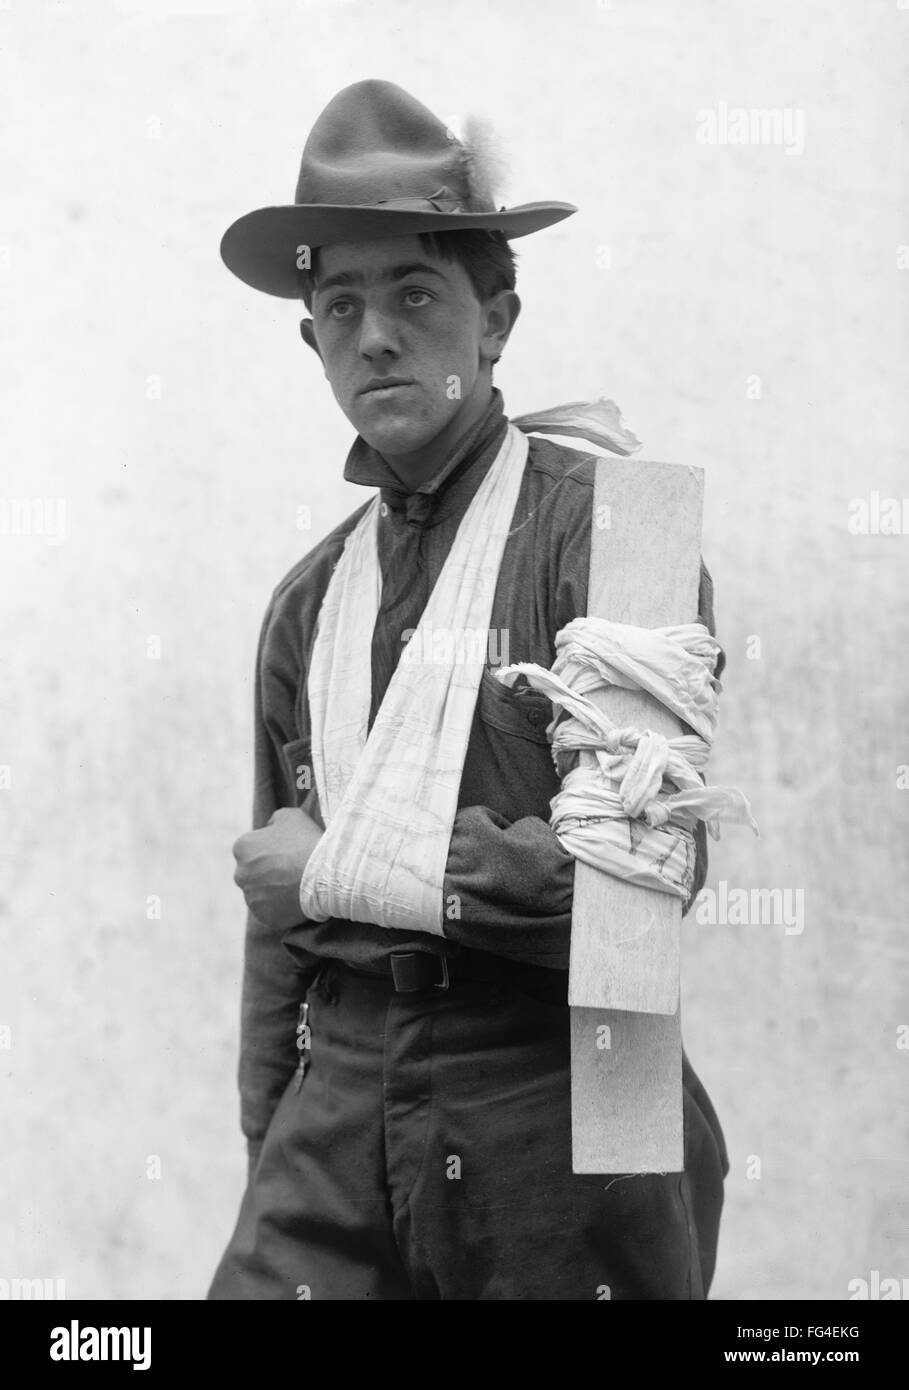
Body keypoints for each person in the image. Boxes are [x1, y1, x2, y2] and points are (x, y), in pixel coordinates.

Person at [208, 78, 729, 1301]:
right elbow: (276, 933)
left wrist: (343, 868)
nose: (374, 333)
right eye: (340, 302)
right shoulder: (307, 599)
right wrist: (269, 1145)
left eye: (416, 294)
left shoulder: (627, 526)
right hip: (341, 1083)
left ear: (494, 319)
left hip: (579, 1064)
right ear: (311, 337)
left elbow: (637, 895)